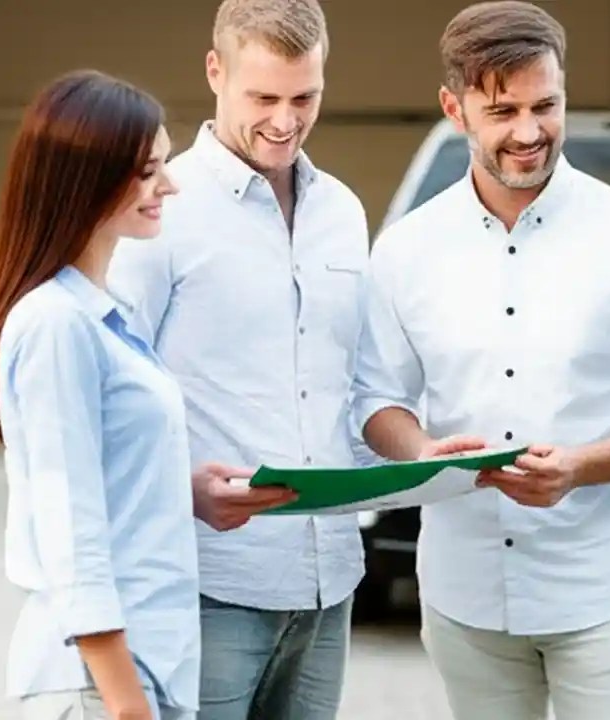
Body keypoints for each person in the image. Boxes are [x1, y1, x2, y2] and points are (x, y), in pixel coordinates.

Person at [349, 2, 610, 719]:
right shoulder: (404, 250)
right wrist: (425, 454)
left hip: (602, 591)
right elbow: (374, 399)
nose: (529, 132)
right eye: (502, 111)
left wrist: (581, 466)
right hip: (463, 594)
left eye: (545, 106)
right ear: (455, 109)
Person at [105, 1, 369, 718]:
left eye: (304, 98)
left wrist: (423, 456)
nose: (285, 121)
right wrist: (180, 490)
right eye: (263, 98)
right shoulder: (159, 210)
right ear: (215, 71)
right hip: (208, 580)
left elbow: (352, 382)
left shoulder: (342, 212)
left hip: (330, 582)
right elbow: (109, 394)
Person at [0, 69, 247, 720]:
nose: (169, 185)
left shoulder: (102, 313)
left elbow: (103, 475)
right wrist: (125, 702)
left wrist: (184, 490)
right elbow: (69, 526)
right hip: (102, 682)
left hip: (143, 672)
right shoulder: (56, 324)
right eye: (148, 171)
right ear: (87, 179)